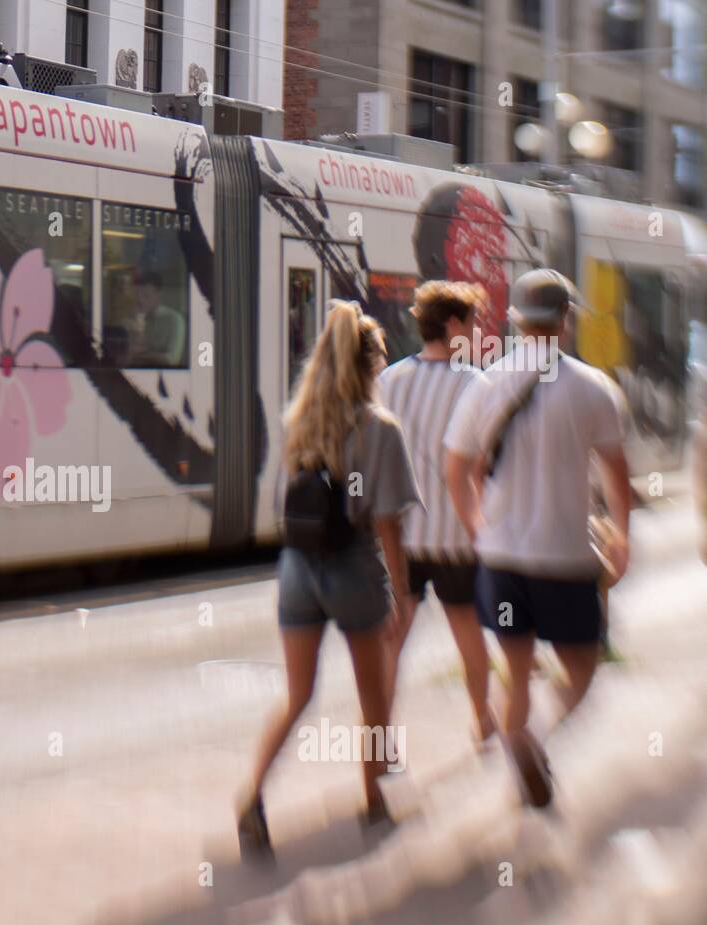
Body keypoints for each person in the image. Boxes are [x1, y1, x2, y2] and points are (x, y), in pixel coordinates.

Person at [237, 301, 420, 860]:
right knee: (373, 697)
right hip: (352, 568)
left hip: (296, 568)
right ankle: (372, 802)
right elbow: (387, 521)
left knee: (297, 695)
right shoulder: (378, 429)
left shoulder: (301, 421)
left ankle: (251, 796)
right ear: (368, 366)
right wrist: (404, 593)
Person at [444, 268, 632, 807]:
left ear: (516, 321)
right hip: (566, 563)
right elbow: (617, 474)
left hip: (502, 564)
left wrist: (475, 524)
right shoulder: (595, 389)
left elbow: (454, 467)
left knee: (518, 671)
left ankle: (518, 752)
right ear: (566, 321)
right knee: (581, 669)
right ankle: (536, 738)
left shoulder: (485, 384)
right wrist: (621, 537)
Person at [378, 281, 495, 744]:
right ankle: (483, 722)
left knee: (393, 638)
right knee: (468, 630)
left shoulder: (390, 380)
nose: (478, 330)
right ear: (453, 325)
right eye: (473, 322)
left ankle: (380, 738)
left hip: (402, 538)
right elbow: (481, 466)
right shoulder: (474, 385)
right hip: (455, 538)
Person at [128, 271, 186, 367]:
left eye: (146, 295)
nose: (141, 300)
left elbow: (172, 359)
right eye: (137, 296)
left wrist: (140, 356)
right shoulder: (137, 320)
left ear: (159, 295)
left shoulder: (174, 320)